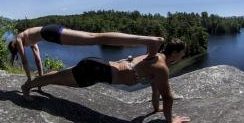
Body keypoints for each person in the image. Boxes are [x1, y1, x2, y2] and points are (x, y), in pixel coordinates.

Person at [20, 39, 191, 123]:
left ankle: (33, 84)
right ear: (175, 53)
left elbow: (156, 90)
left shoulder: (156, 59)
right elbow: (168, 97)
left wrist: (156, 109)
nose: (182, 57)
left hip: (97, 66)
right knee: (57, 79)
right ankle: (27, 86)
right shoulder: (161, 67)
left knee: (57, 76)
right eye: (182, 53)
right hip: (95, 71)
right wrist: (170, 120)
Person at [8, 24, 164, 86]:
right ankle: (149, 42)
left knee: (95, 38)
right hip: (51, 32)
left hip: (51, 33)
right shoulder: (28, 38)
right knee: (95, 38)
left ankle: (149, 41)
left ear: (14, 46)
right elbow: (37, 58)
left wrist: (29, 79)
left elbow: (25, 61)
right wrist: (39, 80)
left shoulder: (19, 39)